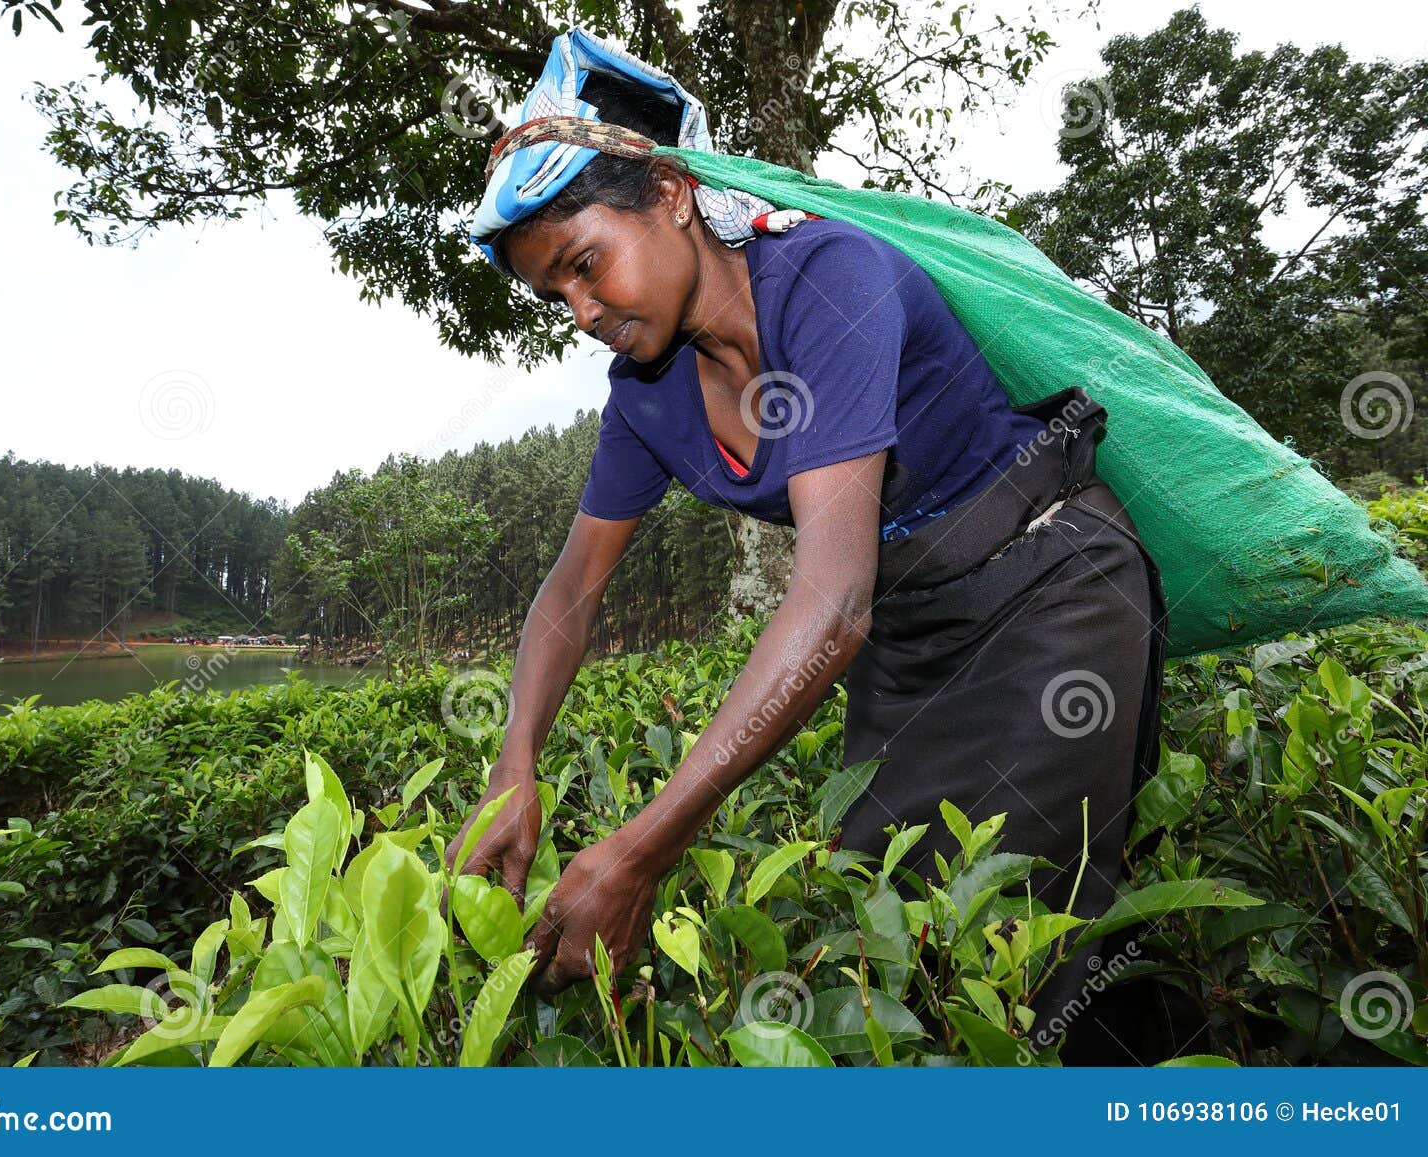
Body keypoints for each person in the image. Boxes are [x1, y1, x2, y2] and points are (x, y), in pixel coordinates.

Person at [448, 29, 1172, 1061]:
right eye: (552, 296)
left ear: (667, 192)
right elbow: (570, 588)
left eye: (583, 264)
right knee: (886, 919)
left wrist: (642, 849)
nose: (581, 310)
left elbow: (831, 601)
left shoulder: (827, 276)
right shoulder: (646, 398)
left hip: (1048, 585)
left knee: (1012, 939)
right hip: (914, 634)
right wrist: (512, 763)